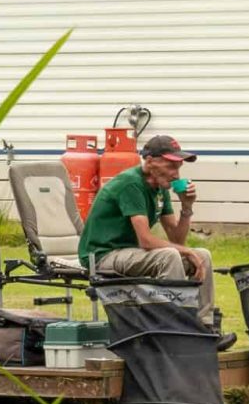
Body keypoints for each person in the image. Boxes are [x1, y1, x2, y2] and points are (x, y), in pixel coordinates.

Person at [79, 134, 233, 347]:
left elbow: (177, 238)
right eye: (171, 166)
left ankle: (205, 328)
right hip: (102, 255)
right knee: (169, 256)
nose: (176, 173)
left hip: (131, 253)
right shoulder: (131, 184)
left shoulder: (160, 187)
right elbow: (146, 241)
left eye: (178, 167)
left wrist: (187, 207)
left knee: (202, 256)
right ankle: (174, 330)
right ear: (150, 161)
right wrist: (185, 251)